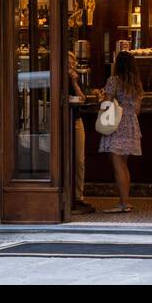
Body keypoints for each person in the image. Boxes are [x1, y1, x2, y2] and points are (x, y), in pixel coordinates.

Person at [95, 50, 142, 214]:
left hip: (116, 124)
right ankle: (125, 201)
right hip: (131, 124)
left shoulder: (113, 80)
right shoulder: (136, 83)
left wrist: (101, 97)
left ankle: (123, 204)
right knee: (124, 165)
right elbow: (137, 109)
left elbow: (106, 103)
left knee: (118, 166)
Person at [67, 51, 94, 215]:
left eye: (73, 63)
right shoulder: (56, 78)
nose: (72, 66)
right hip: (61, 122)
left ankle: (78, 196)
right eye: (69, 63)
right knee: (64, 159)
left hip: (76, 121)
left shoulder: (74, 79)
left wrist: (75, 82)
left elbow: (82, 98)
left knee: (79, 160)